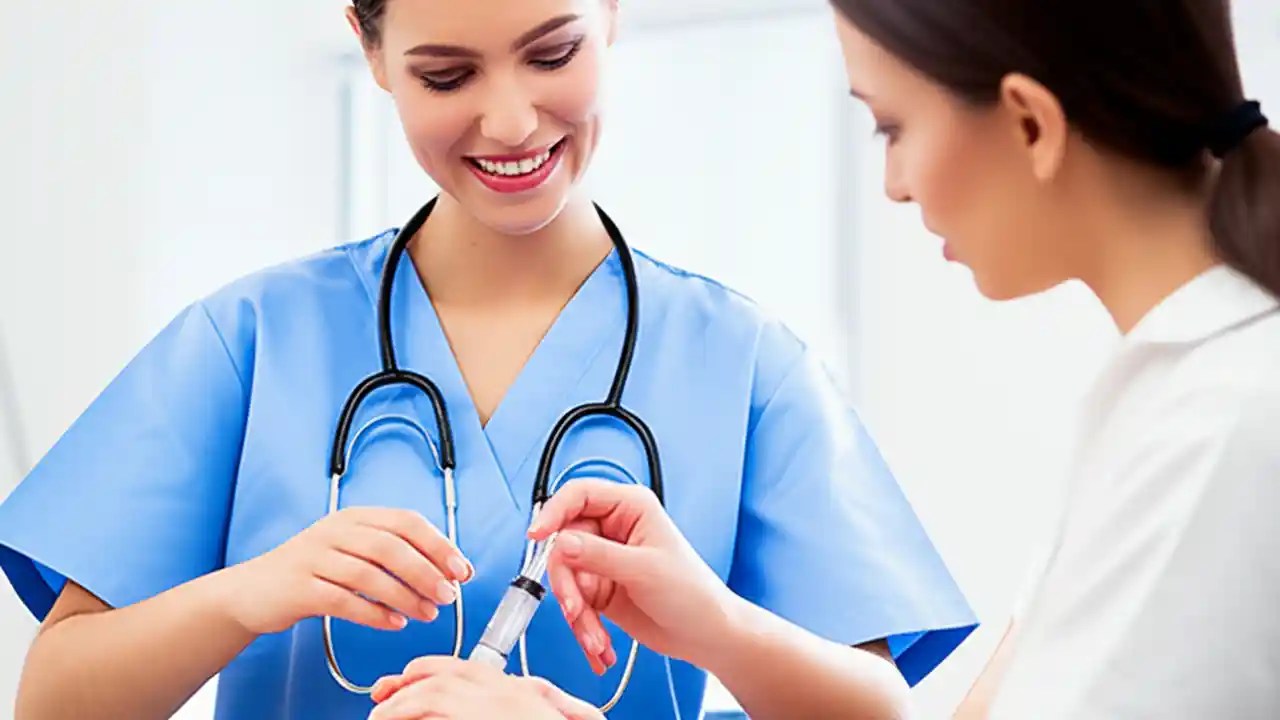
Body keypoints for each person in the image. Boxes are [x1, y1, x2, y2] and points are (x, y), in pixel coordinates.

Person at [0, 0, 978, 718]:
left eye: (551, 53)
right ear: (369, 50)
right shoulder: (254, 341)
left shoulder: (742, 364)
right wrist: (245, 592)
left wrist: (712, 624)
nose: (509, 121)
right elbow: (53, 701)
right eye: (445, 75)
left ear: (612, 17)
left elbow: (878, 712)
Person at [373, 0, 1280, 717]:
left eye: (891, 126)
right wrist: (717, 625)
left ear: (1029, 124)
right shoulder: (1161, 403)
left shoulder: (1221, 429)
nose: (893, 183)